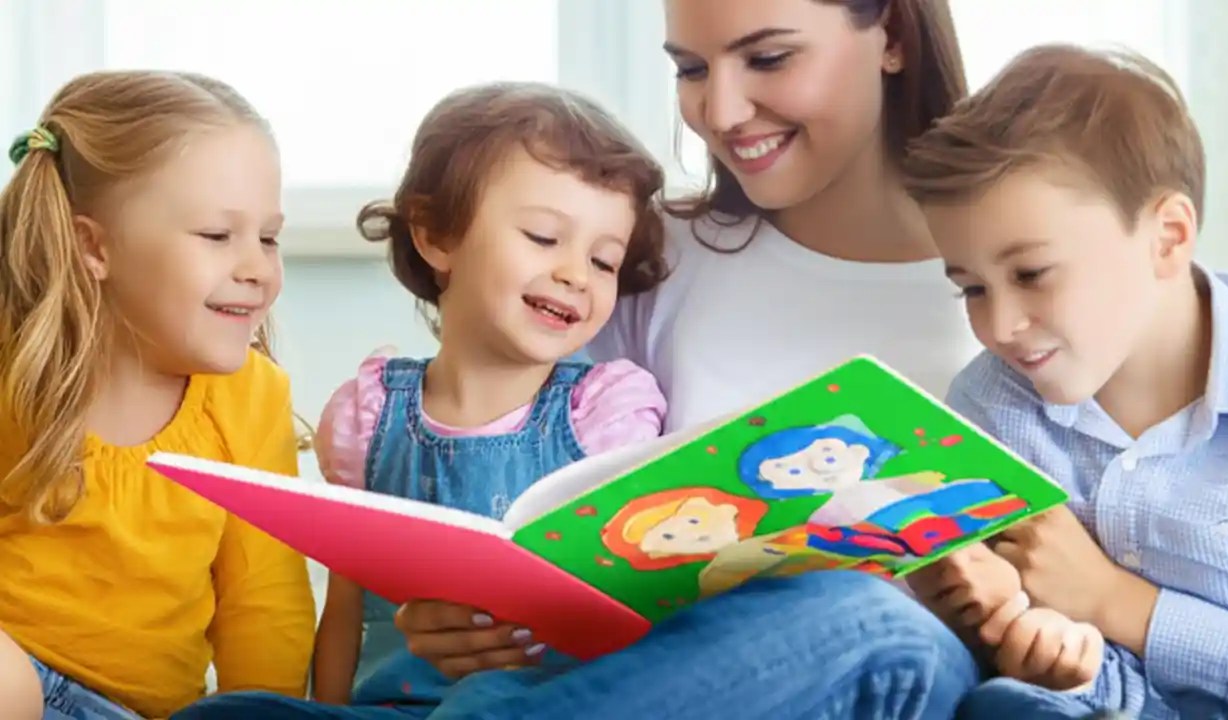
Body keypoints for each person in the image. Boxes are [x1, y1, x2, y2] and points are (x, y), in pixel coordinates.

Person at [379, 1, 985, 718]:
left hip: (885, 670)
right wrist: (461, 614)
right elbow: (531, 499)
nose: (721, 112)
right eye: (691, 69)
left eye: (767, 59)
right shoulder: (640, 258)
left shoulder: (1013, 280)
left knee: (871, 616)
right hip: (639, 685)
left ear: (893, 37)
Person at [172, 81, 672, 717]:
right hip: (387, 709)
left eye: (605, 261)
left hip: (532, 706)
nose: (577, 273)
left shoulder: (604, 413)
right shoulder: (370, 414)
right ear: (437, 237)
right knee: (219, 715)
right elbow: (345, 607)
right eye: (544, 238)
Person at [901, 44, 1228, 719]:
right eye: (972, 289)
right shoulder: (986, 408)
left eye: (1032, 274)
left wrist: (1114, 601)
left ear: (1167, 236)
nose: (1001, 325)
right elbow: (1071, 682)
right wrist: (1019, 630)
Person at [0, 71, 315, 719]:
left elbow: (264, 600)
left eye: (269, 237)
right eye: (216, 236)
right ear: (95, 246)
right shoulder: (19, 371)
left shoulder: (251, 397)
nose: (257, 266)